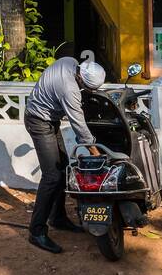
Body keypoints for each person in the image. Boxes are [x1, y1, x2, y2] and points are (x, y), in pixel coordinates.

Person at [23, 56, 107, 254]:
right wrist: (95, 151)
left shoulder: (70, 62)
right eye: (90, 89)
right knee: (52, 176)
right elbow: (79, 125)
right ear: (82, 81)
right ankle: (36, 231)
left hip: (49, 119)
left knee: (63, 169)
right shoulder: (69, 89)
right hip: (38, 121)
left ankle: (58, 218)